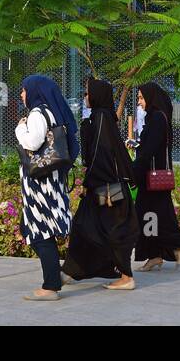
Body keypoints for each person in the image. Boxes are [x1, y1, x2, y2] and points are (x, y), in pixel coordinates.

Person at [61, 77, 138, 291]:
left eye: (87, 93)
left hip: (106, 187)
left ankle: (126, 276)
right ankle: (70, 271)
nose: (85, 97)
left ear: (97, 96)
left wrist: (89, 182)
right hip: (104, 185)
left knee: (108, 227)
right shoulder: (100, 117)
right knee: (87, 225)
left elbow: (99, 154)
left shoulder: (101, 117)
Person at [15, 74, 79, 301]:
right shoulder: (52, 111)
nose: (22, 94)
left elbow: (32, 143)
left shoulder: (37, 114)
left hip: (40, 185)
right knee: (30, 228)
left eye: (24, 90)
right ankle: (56, 275)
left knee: (40, 234)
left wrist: (20, 129)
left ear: (35, 91)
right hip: (51, 181)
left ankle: (50, 286)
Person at [131, 81, 180, 272]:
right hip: (151, 179)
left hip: (154, 179)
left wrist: (133, 169)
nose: (139, 102)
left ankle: (178, 245)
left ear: (151, 98)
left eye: (141, 98)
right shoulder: (154, 117)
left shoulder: (157, 118)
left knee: (157, 217)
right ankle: (155, 255)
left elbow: (150, 149)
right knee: (150, 218)